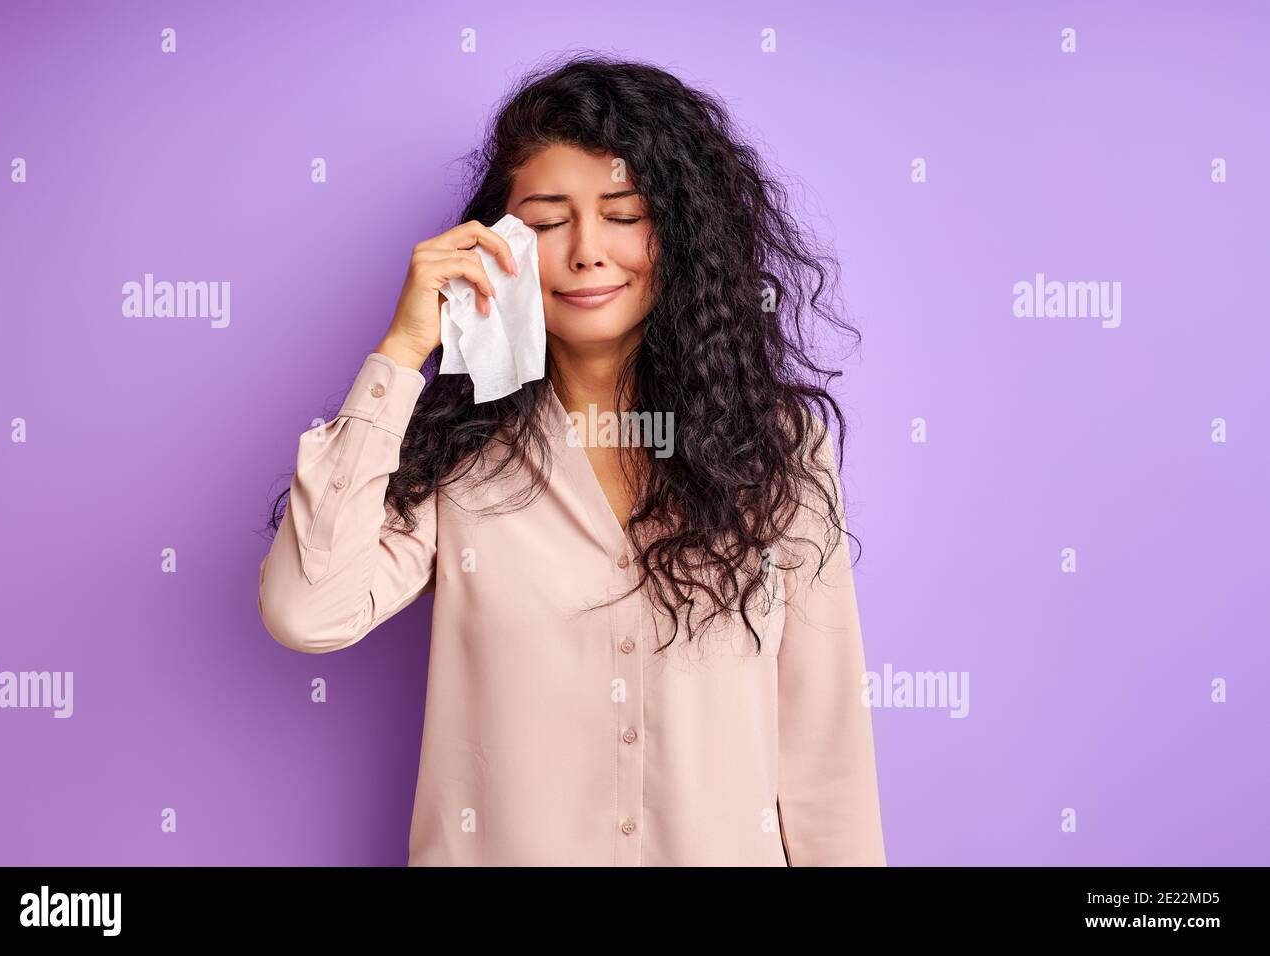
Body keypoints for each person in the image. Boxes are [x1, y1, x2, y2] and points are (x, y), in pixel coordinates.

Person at [257, 53, 886, 867]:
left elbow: (824, 746)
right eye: (549, 222)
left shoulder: (778, 450)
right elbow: (307, 612)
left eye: (624, 213)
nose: (587, 251)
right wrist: (403, 350)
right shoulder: (458, 457)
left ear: (683, 234)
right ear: (498, 244)